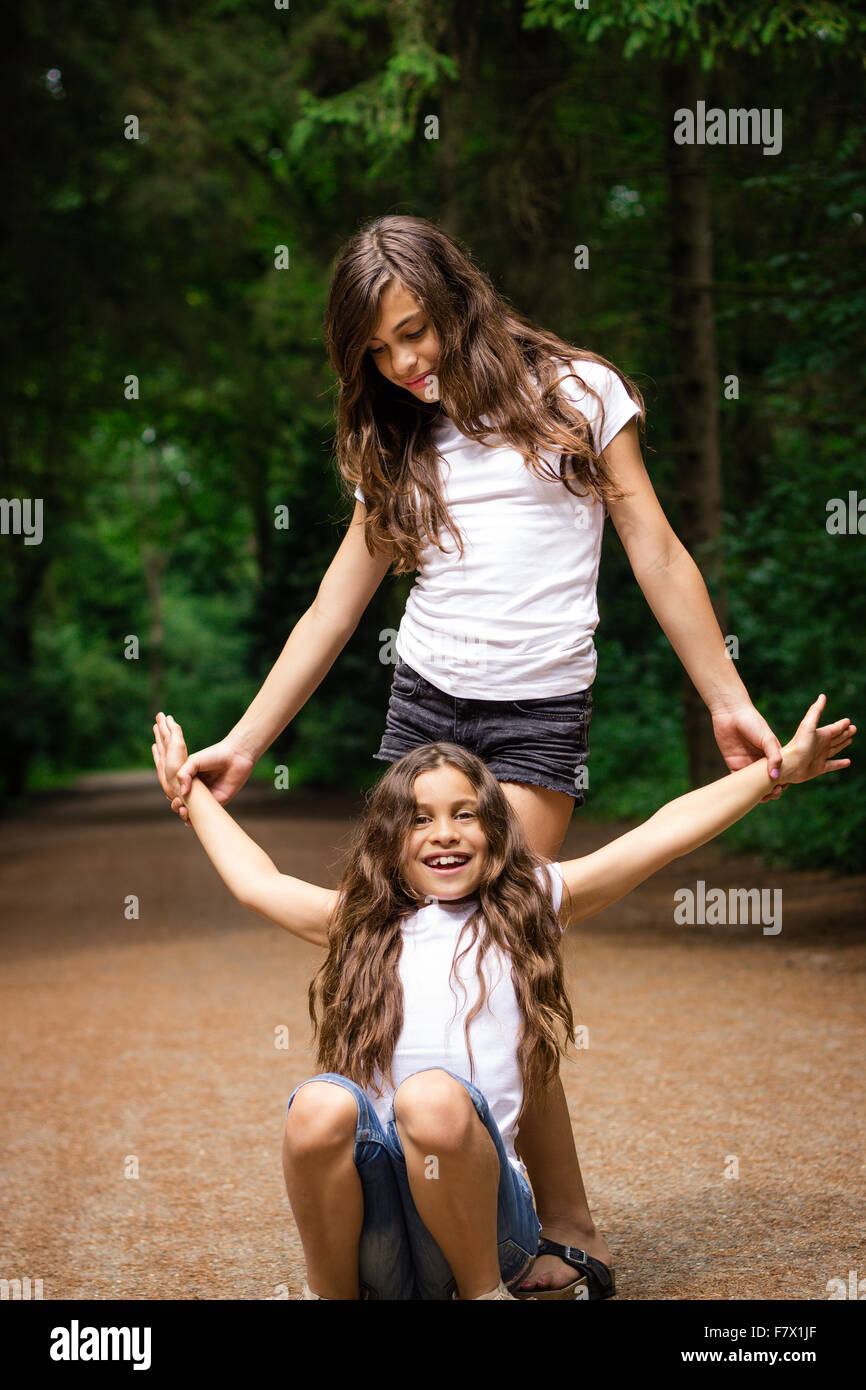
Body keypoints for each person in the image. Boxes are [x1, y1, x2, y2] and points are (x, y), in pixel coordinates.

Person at [165, 213, 790, 1295]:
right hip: (427, 703)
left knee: (508, 941)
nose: (405, 363)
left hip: (539, 710)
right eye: (379, 349)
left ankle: (567, 1217)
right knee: (427, 941)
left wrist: (725, 699)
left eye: (415, 331)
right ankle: (421, 1186)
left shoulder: (579, 394)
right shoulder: (395, 440)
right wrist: (244, 742)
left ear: (456, 295)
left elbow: (650, 541)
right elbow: (335, 602)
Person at [152, 697, 854, 1300]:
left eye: (464, 814)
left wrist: (772, 773)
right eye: (420, 819)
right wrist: (193, 797)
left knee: (430, 1096)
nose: (445, 833)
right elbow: (256, 881)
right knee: (319, 1102)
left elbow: (657, 837)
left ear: (496, 829)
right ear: (388, 841)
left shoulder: (529, 907)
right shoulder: (364, 923)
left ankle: (485, 1296)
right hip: (379, 1242)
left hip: (486, 1233)